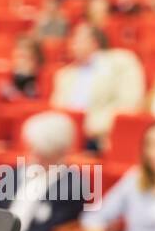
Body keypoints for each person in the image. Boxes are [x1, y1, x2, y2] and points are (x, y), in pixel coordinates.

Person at [51, 22, 145, 150]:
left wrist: (89, 127)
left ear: (95, 42)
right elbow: (57, 107)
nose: (73, 43)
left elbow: (129, 104)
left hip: (102, 136)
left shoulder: (121, 62)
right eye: (72, 38)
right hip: (66, 137)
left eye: (79, 38)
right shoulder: (64, 75)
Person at [0, 35, 43, 100]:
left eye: (25, 49)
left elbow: (33, 95)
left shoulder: (37, 75)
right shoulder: (12, 72)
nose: (21, 51)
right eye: (19, 48)